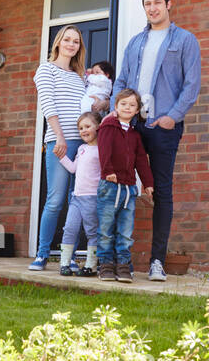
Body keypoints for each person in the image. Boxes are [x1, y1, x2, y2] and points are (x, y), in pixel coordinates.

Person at [112, 0, 201, 282]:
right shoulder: (135, 43)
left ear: (169, 4)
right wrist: (117, 109)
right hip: (133, 126)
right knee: (121, 186)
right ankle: (116, 259)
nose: (152, 8)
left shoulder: (186, 40)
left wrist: (172, 118)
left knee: (161, 191)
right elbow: (122, 79)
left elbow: (192, 86)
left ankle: (157, 262)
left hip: (163, 127)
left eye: (157, 3)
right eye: (147, 3)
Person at [30, 25, 89, 271]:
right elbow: (48, 105)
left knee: (76, 202)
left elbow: (87, 110)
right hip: (59, 142)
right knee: (55, 200)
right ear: (58, 42)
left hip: (83, 144)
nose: (71, 44)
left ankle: (69, 257)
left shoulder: (80, 77)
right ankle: (42, 254)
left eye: (76, 41)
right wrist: (60, 137)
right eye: (67, 40)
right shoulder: (46, 70)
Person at [95, 90, 154, 283]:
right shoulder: (108, 127)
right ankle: (105, 265)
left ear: (137, 110)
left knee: (125, 231)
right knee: (106, 228)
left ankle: (123, 265)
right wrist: (108, 171)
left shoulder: (135, 134)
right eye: (123, 104)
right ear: (116, 106)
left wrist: (148, 183)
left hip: (129, 188)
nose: (127, 108)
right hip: (110, 185)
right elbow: (104, 150)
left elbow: (141, 160)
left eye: (132, 105)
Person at [58, 111, 101, 277]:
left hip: (92, 197)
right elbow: (74, 169)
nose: (83, 130)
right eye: (80, 128)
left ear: (97, 127)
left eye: (87, 126)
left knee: (92, 232)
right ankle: (64, 264)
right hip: (76, 197)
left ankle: (91, 265)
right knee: (70, 228)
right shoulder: (81, 148)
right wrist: (61, 157)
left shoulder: (101, 150)